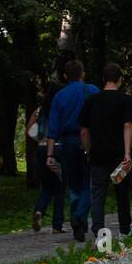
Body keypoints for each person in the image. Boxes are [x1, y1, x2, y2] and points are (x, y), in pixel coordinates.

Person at [79, 63, 132, 241]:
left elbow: (83, 130)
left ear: (103, 79)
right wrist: (127, 153)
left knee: (98, 194)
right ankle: (125, 230)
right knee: (122, 194)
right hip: (119, 157)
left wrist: (88, 150)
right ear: (119, 79)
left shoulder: (91, 101)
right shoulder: (126, 101)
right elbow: (128, 126)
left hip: (97, 155)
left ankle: (99, 233)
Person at [46, 60, 99, 242]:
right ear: (83, 74)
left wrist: (50, 155)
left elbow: (52, 129)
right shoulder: (92, 91)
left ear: (65, 76)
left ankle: (80, 222)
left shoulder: (59, 96)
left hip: (67, 142)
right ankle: (79, 216)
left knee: (74, 184)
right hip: (89, 140)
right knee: (90, 183)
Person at [29, 75, 66, 233]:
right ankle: (57, 226)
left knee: (47, 186)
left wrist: (39, 138)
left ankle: (39, 211)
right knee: (60, 187)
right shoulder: (61, 109)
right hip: (57, 149)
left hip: (42, 149)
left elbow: (29, 129)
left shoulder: (39, 110)